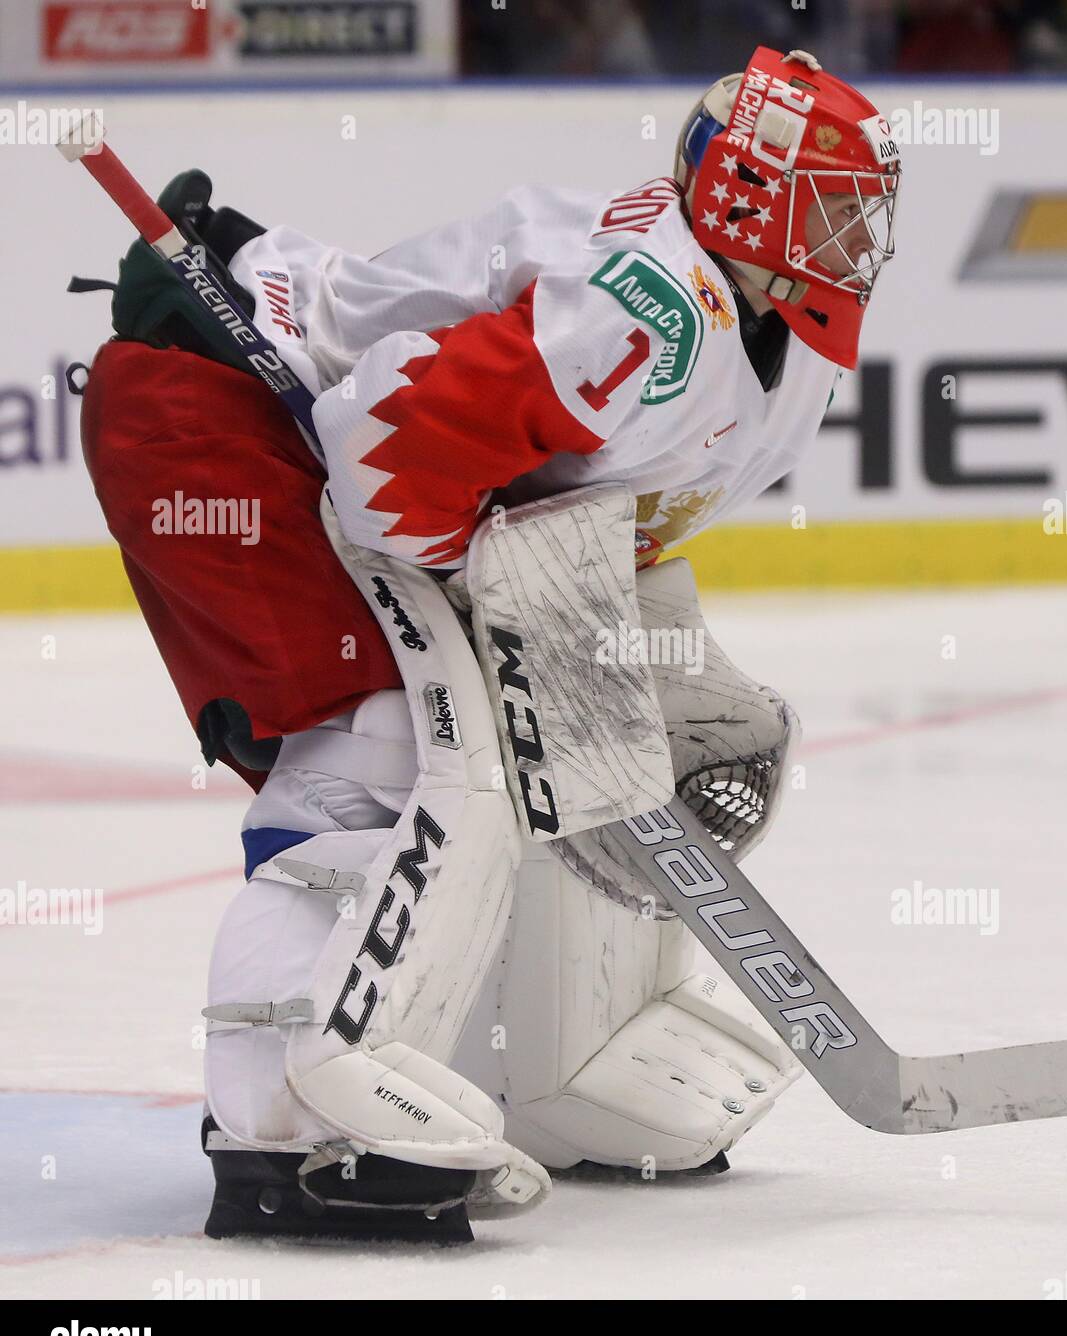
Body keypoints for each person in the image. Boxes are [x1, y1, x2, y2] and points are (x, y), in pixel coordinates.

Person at [80, 46, 901, 1242]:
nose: (857, 237)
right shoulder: (651, 310)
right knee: (388, 749)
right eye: (830, 206)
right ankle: (286, 1130)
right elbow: (383, 464)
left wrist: (631, 670)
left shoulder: (789, 337)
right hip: (215, 407)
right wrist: (516, 611)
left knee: (589, 734)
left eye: (864, 210)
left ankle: (574, 1064)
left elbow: (604, 504)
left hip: (340, 454)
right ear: (741, 195)